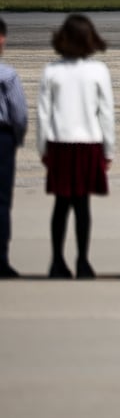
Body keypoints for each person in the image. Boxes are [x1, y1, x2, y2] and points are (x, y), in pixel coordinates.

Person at [37, 15, 114, 279]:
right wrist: (109, 150)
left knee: (61, 205)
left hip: (59, 143)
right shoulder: (98, 71)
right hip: (88, 143)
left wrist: (43, 149)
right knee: (82, 206)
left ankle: (57, 260)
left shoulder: (52, 71)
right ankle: (82, 260)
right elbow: (106, 114)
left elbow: (43, 114)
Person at [0, 16, 25, 277]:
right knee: (2, 202)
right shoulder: (7, 75)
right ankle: (1, 259)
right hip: (2, 137)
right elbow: (19, 114)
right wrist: (17, 138)